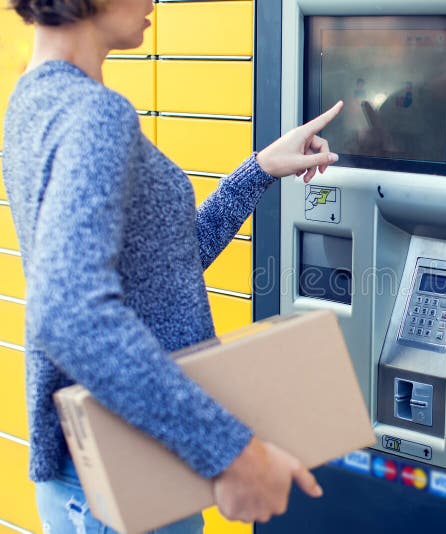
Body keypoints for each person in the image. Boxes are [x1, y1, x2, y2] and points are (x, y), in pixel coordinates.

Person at [1, 0, 345, 530]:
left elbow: (161, 275)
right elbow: (70, 313)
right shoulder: (96, 115)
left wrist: (257, 171)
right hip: (125, 477)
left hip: (98, 474)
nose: (152, 2)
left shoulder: (35, 99)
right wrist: (232, 453)